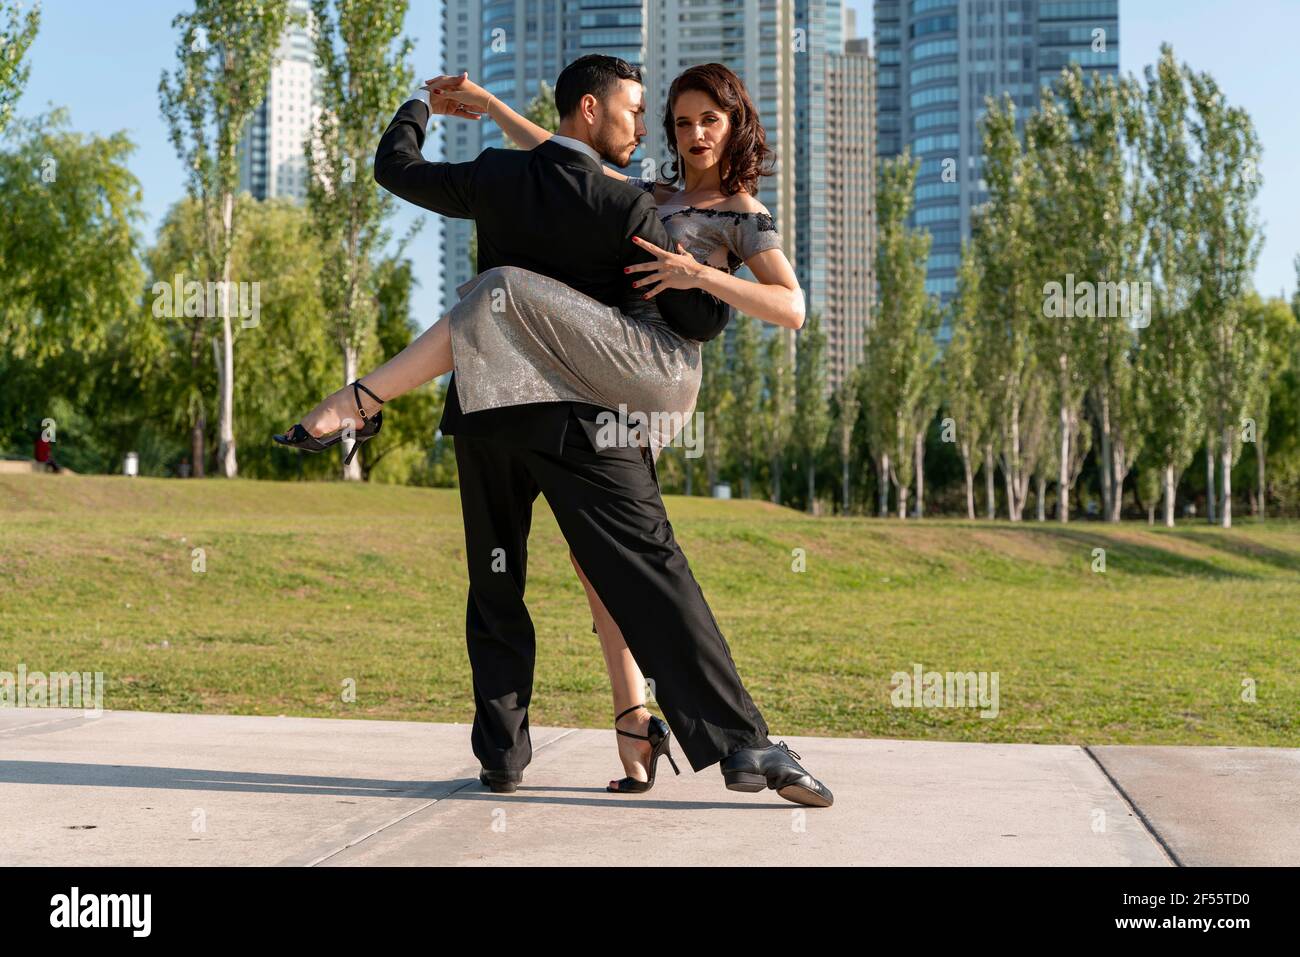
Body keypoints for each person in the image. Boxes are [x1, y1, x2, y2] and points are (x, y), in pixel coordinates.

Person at [276, 55, 831, 807]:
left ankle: (362, 399)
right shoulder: (634, 193)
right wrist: (495, 105)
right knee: (599, 568)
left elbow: (790, 308)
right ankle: (637, 727)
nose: (689, 132)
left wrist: (699, 276)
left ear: (736, 125)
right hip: (572, 377)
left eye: (708, 119)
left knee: (496, 292)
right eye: (675, 119)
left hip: (640, 371)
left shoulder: (739, 211)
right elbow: (565, 155)